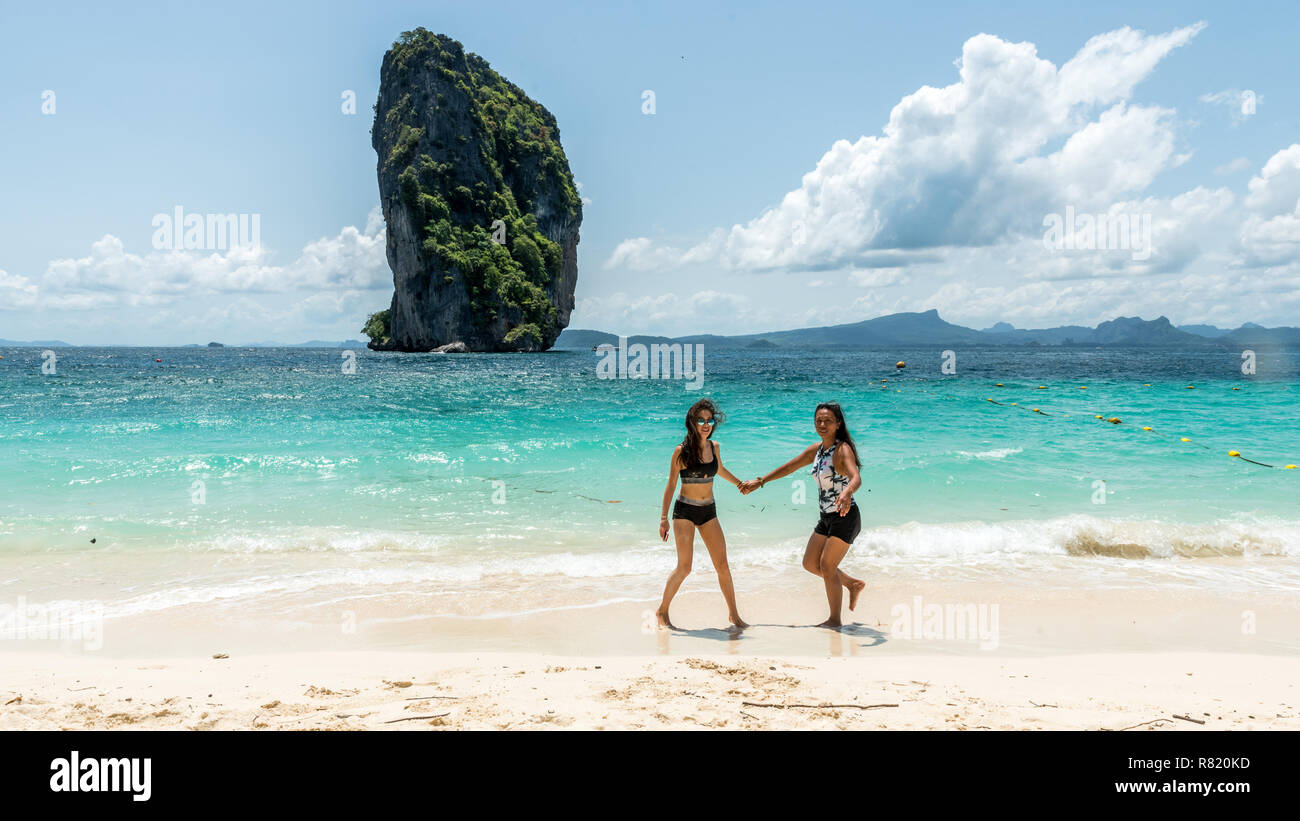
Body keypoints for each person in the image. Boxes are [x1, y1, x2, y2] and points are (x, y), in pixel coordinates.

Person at [740, 402, 865, 628]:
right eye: (818, 421)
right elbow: (790, 467)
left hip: (845, 516)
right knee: (810, 563)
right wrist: (761, 482)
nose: (822, 424)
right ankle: (851, 584)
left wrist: (847, 492)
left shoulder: (842, 449)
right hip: (826, 517)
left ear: (838, 424)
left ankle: (834, 620)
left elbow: (856, 477)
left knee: (827, 566)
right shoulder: (817, 450)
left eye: (828, 421)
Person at [656, 399, 748, 630]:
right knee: (684, 567)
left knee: (722, 565)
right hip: (685, 511)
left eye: (710, 420)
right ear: (692, 422)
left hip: (708, 510)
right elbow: (671, 485)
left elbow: (720, 470)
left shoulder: (714, 447)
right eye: (701, 420)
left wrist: (739, 484)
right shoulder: (681, 451)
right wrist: (663, 519)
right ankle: (662, 611)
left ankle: (734, 615)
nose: (706, 424)